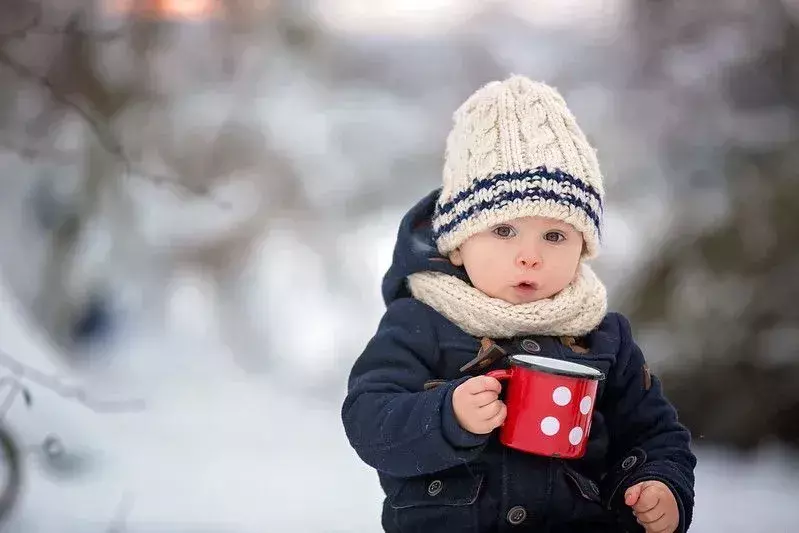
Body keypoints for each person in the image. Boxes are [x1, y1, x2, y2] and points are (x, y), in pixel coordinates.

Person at [341, 75, 696, 533]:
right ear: (456, 245)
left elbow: (655, 433)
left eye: (554, 235)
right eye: (504, 231)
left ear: (583, 248)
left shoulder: (605, 338)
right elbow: (369, 419)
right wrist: (447, 417)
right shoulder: (421, 324)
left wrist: (658, 483)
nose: (530, 255)